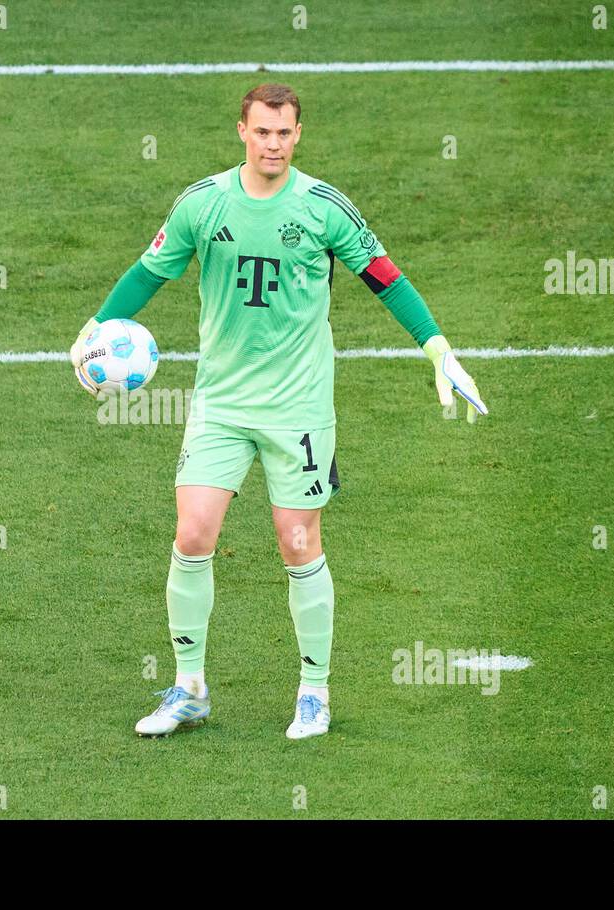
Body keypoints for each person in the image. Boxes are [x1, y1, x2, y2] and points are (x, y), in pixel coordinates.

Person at [69, 83, 488, 740]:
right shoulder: (202, 206)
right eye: (262, 131)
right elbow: (150, 272)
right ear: (242, 131)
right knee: (193, 534)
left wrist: (435, 347)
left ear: (298, 135)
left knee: (299, 545)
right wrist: (95, 324)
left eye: (284, 133)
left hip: (298, 406)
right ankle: (190, 688)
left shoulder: (322, 209)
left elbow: (384, 275)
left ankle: (314, 692)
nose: (272, 143)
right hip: (221, 403)